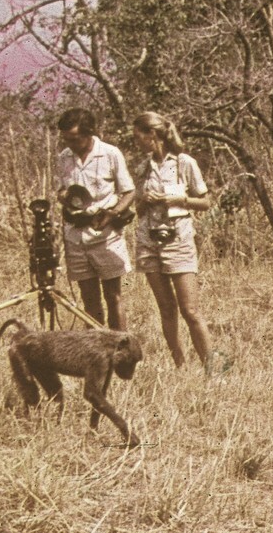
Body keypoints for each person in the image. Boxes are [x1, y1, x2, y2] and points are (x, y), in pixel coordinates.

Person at [131, 110, 214, 372]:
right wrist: (144, 201)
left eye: (139, 136)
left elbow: (206, 201)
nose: (136, 142)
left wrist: (178, 200)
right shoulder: (143, 167)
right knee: (166, 309)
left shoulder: (183, 163)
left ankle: (213, 369)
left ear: (152, 135)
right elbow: (138, 211)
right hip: (149, 240)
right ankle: (181, 367)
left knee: (190, 310)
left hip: (178, 239)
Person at [54, 107, 135, 330]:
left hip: (106, 235)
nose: (70, 143)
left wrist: (113, 214)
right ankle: (96, 354)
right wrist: (66, 198)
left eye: (75, 138)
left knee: (113, 296)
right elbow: (61, 189)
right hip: (76, 236)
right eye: (66, 139)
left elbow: (129, 191)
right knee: (89, 299)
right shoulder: (64, 157)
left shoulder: (110, 153)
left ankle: (120, 349)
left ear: (89, 133)